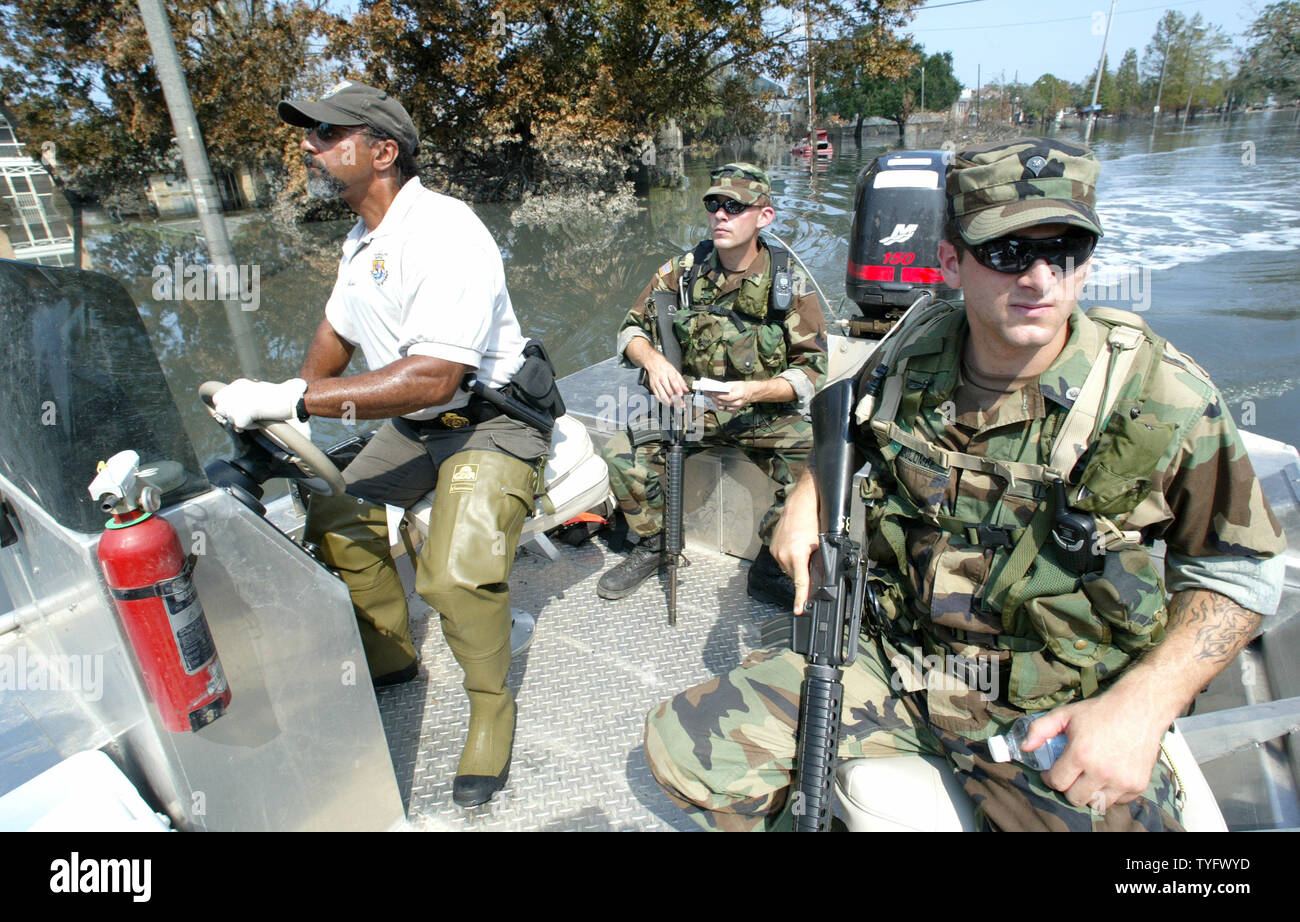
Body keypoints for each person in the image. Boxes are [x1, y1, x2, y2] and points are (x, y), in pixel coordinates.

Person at [642, 138, 1287, 831]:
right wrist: (808, 495)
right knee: (683, 746)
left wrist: (1144, 703)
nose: (1039, 279)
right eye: (1007, 253)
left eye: (1064, 250)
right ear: (951, 260)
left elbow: (1238, 571)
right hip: (899, 659)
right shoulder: (911, 351)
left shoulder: (1160, 396)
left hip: (1059, 701)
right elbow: (843, 423)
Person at [212, 80, 552, 807]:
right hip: (418, 425)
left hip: (490, 420)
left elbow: (432, 378)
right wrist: (295, 406)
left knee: (454, 577)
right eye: (312, 134)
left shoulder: (445, 230)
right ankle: (392, 655)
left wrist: (292, 398)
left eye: (329, 135)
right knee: (334, 512)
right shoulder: (363, 241)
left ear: (383, 150)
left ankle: (492, 706)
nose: (310, 145)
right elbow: (337, 331)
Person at [597, 163, 828, 607]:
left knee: (819, 466)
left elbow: (810, 371)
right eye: (713, 205)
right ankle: (653, 545)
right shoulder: (683, 271)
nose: (720, 215)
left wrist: (755, 391)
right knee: (621, 453)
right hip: (692, 410)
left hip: (761, 413)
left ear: (764, 216)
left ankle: (770, 566)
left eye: (735, 207)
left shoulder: (788, 283)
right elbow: (629, 330)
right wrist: (653, 360)